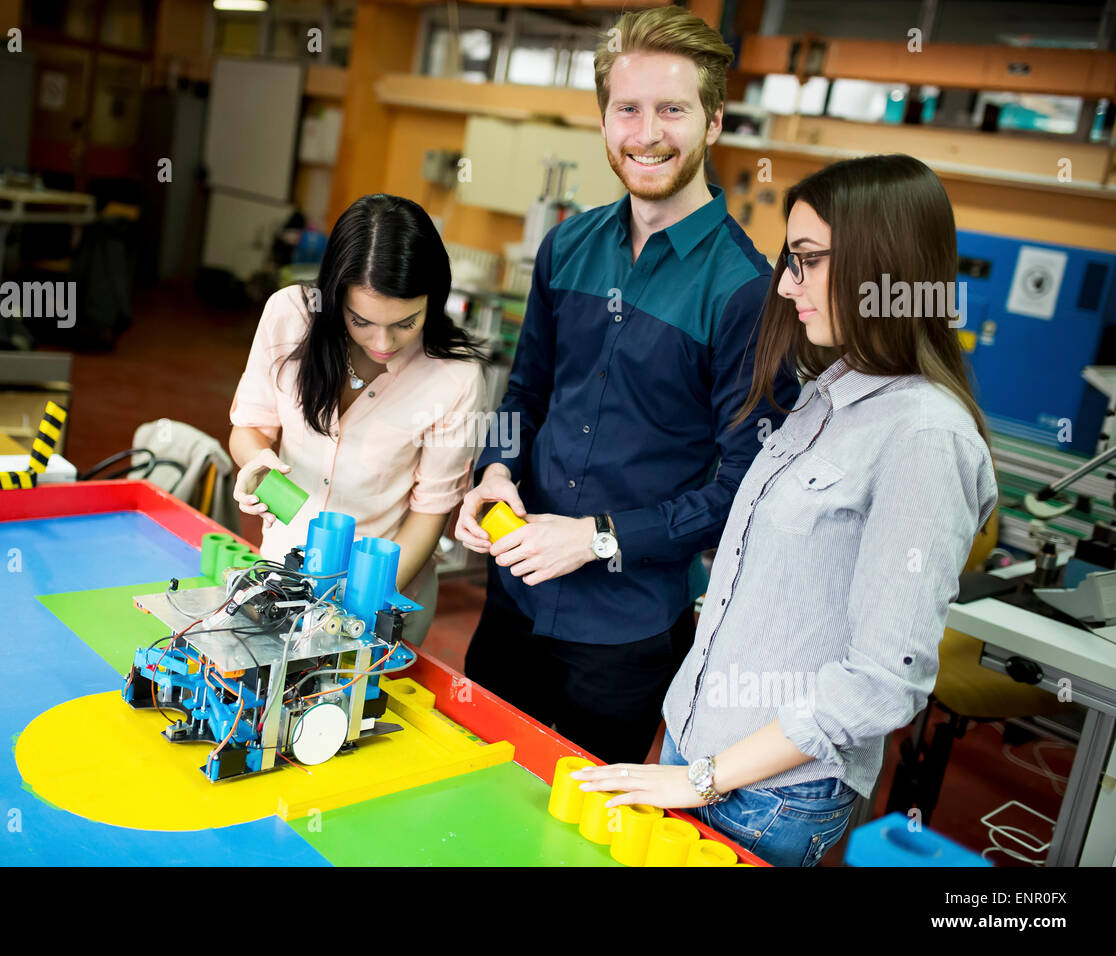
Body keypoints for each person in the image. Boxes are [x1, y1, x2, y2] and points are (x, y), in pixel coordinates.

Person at [572, 153, 999, 867]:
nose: (784, 283)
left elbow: (882, 681)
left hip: (767, 791)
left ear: (880, 267)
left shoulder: (925, 436)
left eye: (806, 260)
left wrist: (702, 779)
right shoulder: (825, 395)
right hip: (702, 750)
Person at [453, 6, 798, 764]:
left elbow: (746, 490)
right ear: (604, 122)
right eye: (628, 109)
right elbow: (524, 394)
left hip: (623, 638)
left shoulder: (746, 292)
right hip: (512, 599)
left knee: (574, 834)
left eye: (673, 109)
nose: (647, 133)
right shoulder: (566, 245)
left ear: (713, 122)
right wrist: (496, 473)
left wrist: (597, 539)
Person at [229, 194, 487, 646]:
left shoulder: (455, 376)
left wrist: (358, 610)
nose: (383, 342)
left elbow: (428, 518)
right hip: (282, 581)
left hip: (382, 600)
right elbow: (250, 428)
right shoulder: (290, 316)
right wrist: (257, 463)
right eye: (360, 321)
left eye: (406, 323)